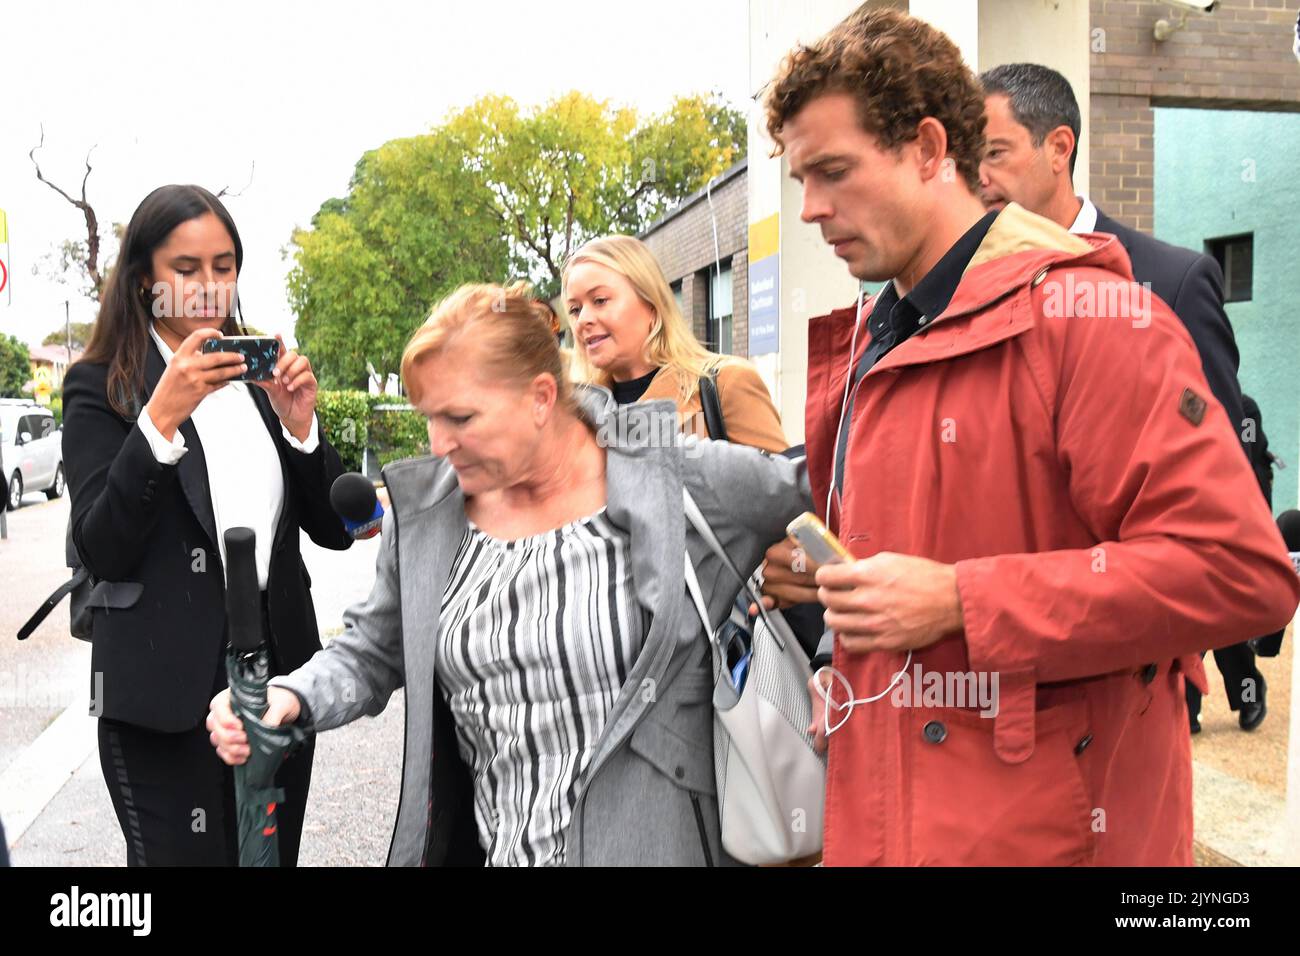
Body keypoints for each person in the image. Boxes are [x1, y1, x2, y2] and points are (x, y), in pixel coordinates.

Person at [758, 6, 1298, 865]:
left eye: (833, 171)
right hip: (891, 819)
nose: (814, 208)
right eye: (800, 181)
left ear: (931, 150)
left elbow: (1241, 573)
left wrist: (960, 602)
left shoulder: (1096, 319)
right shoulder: (876, 337)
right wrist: (842, 645)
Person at [208, 282, 811, 866]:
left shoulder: (678, 481)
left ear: (542, 398)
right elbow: (372, 650)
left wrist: (812, 577)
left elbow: (840, 496)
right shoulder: (428, 516)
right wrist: (292, 693)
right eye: (429, 417)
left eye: (462, 417)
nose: (438, 443)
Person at [62, 184, 352, 866]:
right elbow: (102, 545)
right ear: (144, 280)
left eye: (224, 266)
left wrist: (302, 429)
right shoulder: (103, 385)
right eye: (185, 268)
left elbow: (335, 531)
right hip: (162, 700)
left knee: (267, 859)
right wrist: (158, 419)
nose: (208, 286)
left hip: (276, 684)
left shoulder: (259, 377)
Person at [977, 62, 1270, 733]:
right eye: (972, 159)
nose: (981, 176)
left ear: (1059, 148)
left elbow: (1226, 470)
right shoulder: (967, 292)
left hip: (1138, 664)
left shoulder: (1167, 279)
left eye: (995, 153)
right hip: (1009, 674)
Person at [564, 235, 787, 452]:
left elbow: (778, 487)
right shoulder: (576, 413)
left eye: (600, 300)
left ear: (651, 304)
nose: (583, 320)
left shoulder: (727, 384)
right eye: (575, 309)